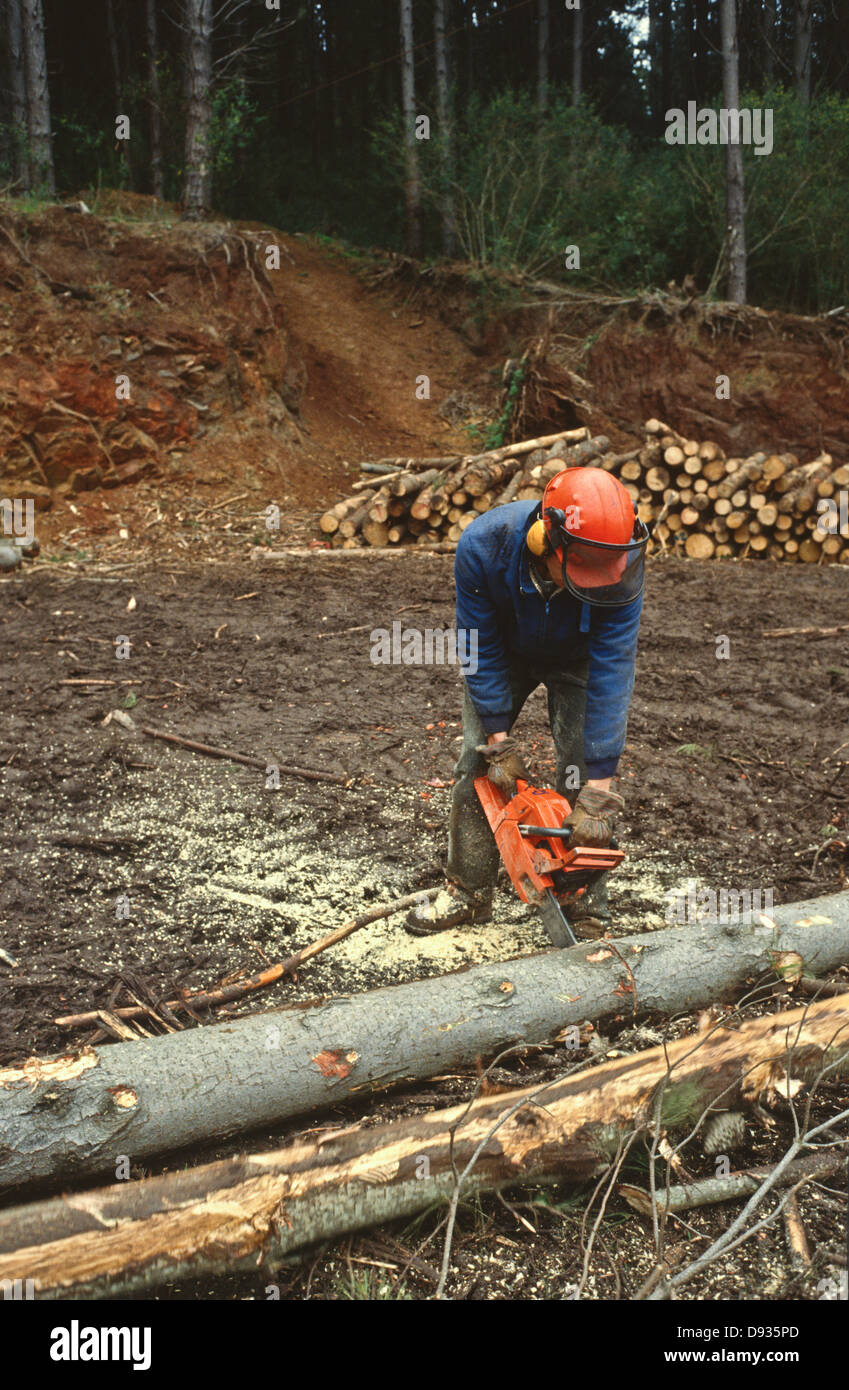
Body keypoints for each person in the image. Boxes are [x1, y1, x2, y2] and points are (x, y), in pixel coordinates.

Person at [406, 465, 648, 938]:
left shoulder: (618, 569)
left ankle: (584, 903)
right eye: (586, 568)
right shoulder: (484, 545)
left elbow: (613, 667)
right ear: (546, 541)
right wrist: (498, 739)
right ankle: (469, 892)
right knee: (476, 767)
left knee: (582, 771)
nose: (600, 581)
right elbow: (479, 645)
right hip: (506, 653)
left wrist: (599, 789)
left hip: (580, 658)